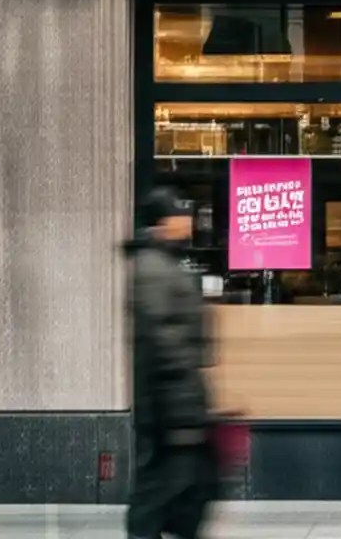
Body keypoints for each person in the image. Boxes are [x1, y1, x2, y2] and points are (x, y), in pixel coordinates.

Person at [126, 187, 219, 539]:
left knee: (186, 493)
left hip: (179, 408)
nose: (189, 223)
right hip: (172, 413)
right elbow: (164, 343)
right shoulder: (154, 269)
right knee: (159, 498)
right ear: (163, 224)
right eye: (181, 217)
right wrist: (185, 412)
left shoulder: (162, 264)